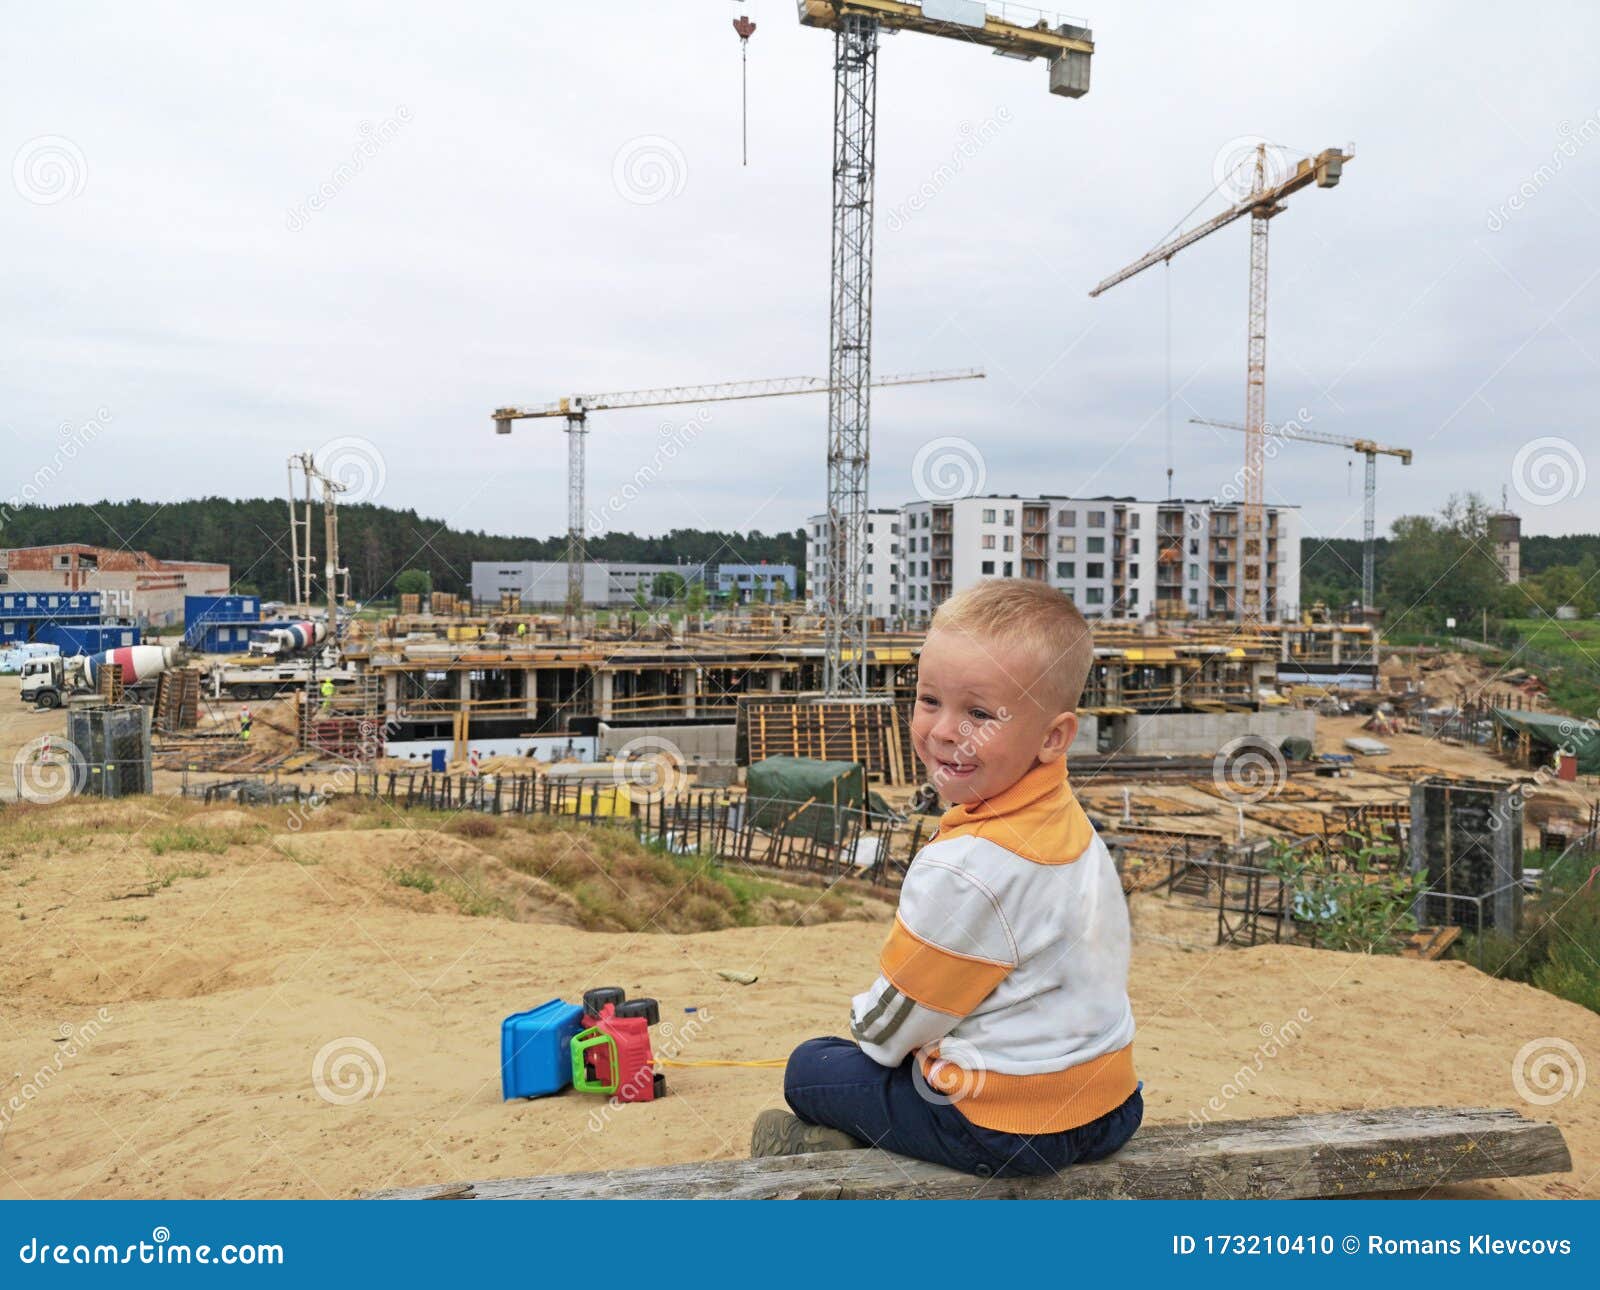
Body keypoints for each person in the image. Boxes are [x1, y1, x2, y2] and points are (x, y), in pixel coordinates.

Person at [751, 579, 1142, 1178]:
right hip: (1111, 1102)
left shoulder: (967, 866)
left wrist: (865, 1034)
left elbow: (892, 1028)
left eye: (979, 714)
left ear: (1053, 736)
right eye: (930, 699)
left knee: (809, 1068)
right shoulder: (1067, 822)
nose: (941, 731)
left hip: (1004, 1125)